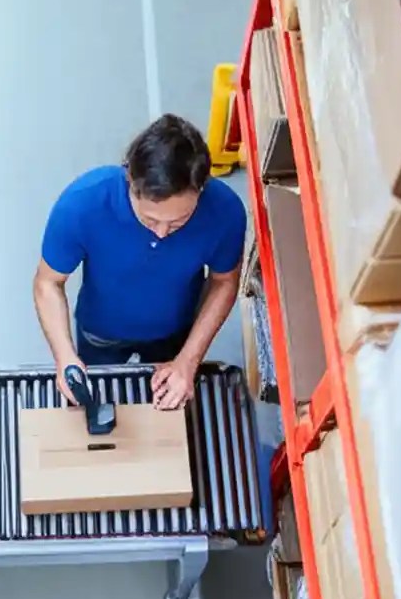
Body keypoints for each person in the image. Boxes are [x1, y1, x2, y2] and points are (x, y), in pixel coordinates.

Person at [33, 114, 247, 411]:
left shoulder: (225, 213)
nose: (161, 232)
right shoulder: (83, 204)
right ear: (130, 181)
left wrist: (187, 361)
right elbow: (48, 282)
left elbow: (224, 281)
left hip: (174, 332)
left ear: (202, 188)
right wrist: (65, 355)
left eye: (178, 221)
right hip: (100, 334)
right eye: (150, 219)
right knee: (85, 405)